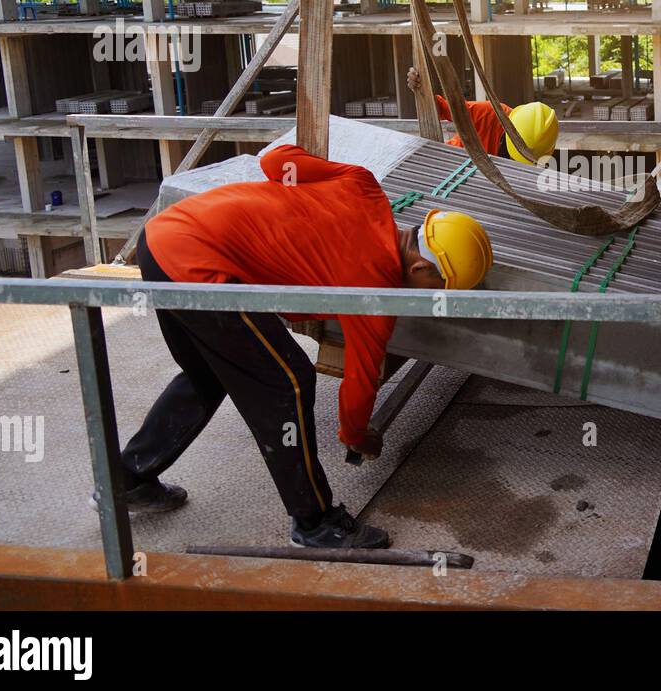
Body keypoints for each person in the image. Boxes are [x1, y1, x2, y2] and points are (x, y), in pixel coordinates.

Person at [112, 143, 493, 548]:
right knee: (287, 382)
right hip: (199, 270)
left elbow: (275, 162)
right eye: (439, 288)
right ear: (420, 268)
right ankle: (314, 523)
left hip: (162, 239)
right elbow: (362, 379)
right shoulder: (375, 289)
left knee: (208, 374)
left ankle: (130, 478)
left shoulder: (362, 185)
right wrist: (357, 436)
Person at [406, 66, 558, 164]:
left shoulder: (534, 157)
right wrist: (421, 89)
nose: (512, 157)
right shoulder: (489, 114)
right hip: (451, 164)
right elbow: (441, 109)